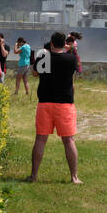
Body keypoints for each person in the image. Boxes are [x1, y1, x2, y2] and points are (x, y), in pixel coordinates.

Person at [28, 32, 82, 184]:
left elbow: (34, 73)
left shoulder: (44, 57)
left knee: (40, 139)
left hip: (45, 102)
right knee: (69, 140)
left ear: (51, 43)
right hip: (64, 103)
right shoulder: (71, 58)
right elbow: (73, 69)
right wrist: (69, 48)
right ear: (64, 43)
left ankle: (34, 175)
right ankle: (74, 177)